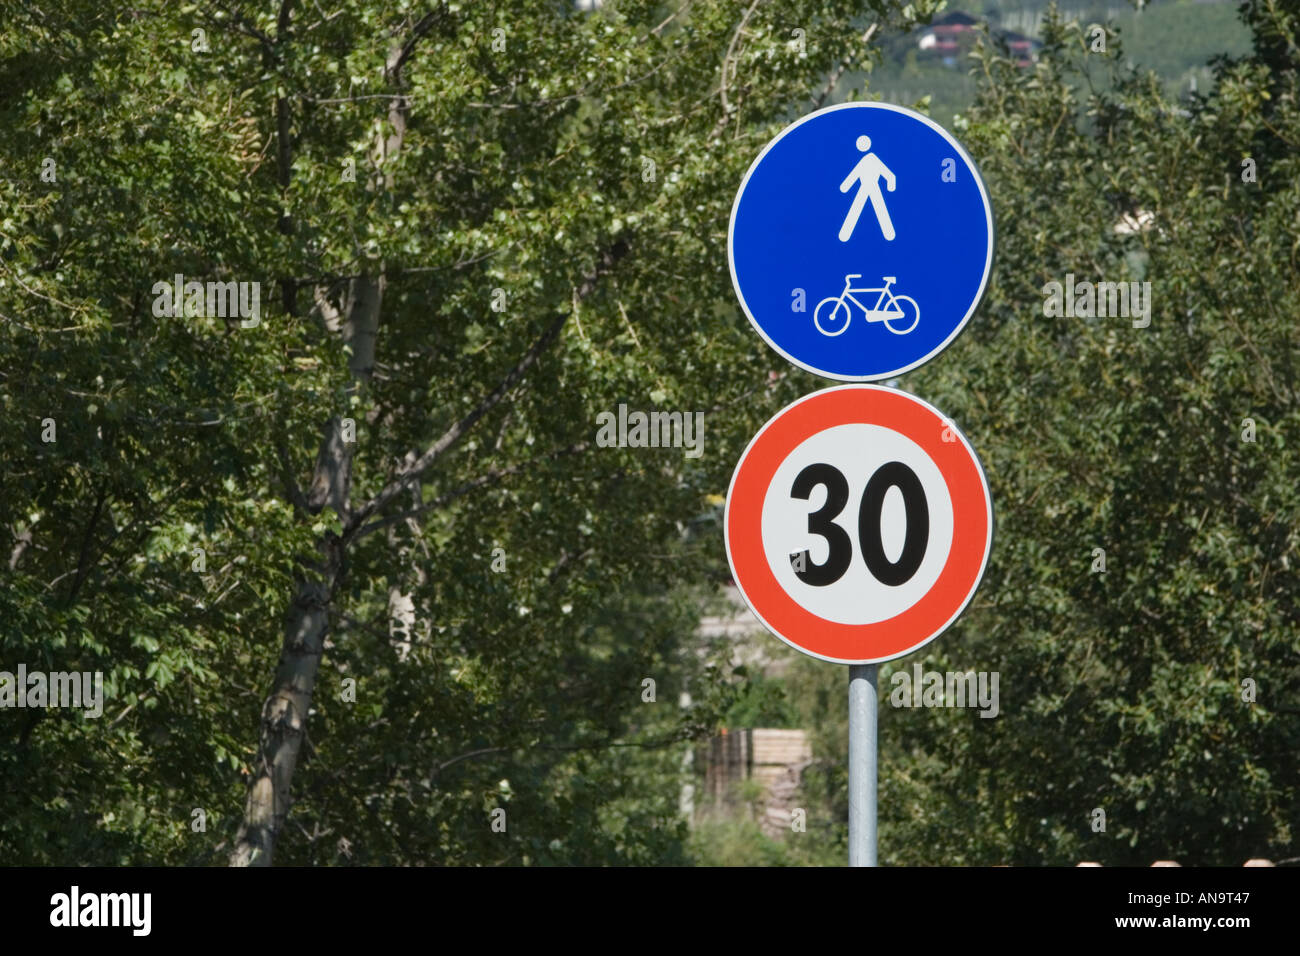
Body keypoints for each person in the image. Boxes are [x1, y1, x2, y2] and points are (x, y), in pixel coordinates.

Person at [838, 135, 897, 242]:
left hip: (873, 187)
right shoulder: (868, 160)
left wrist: (891, 186)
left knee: (871, 209)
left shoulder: (872, 159)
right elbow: (854, 175)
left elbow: (890, 175)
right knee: (859, 209)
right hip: (865, 187)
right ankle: (844, 236)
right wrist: (845, 187)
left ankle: (890, 235)